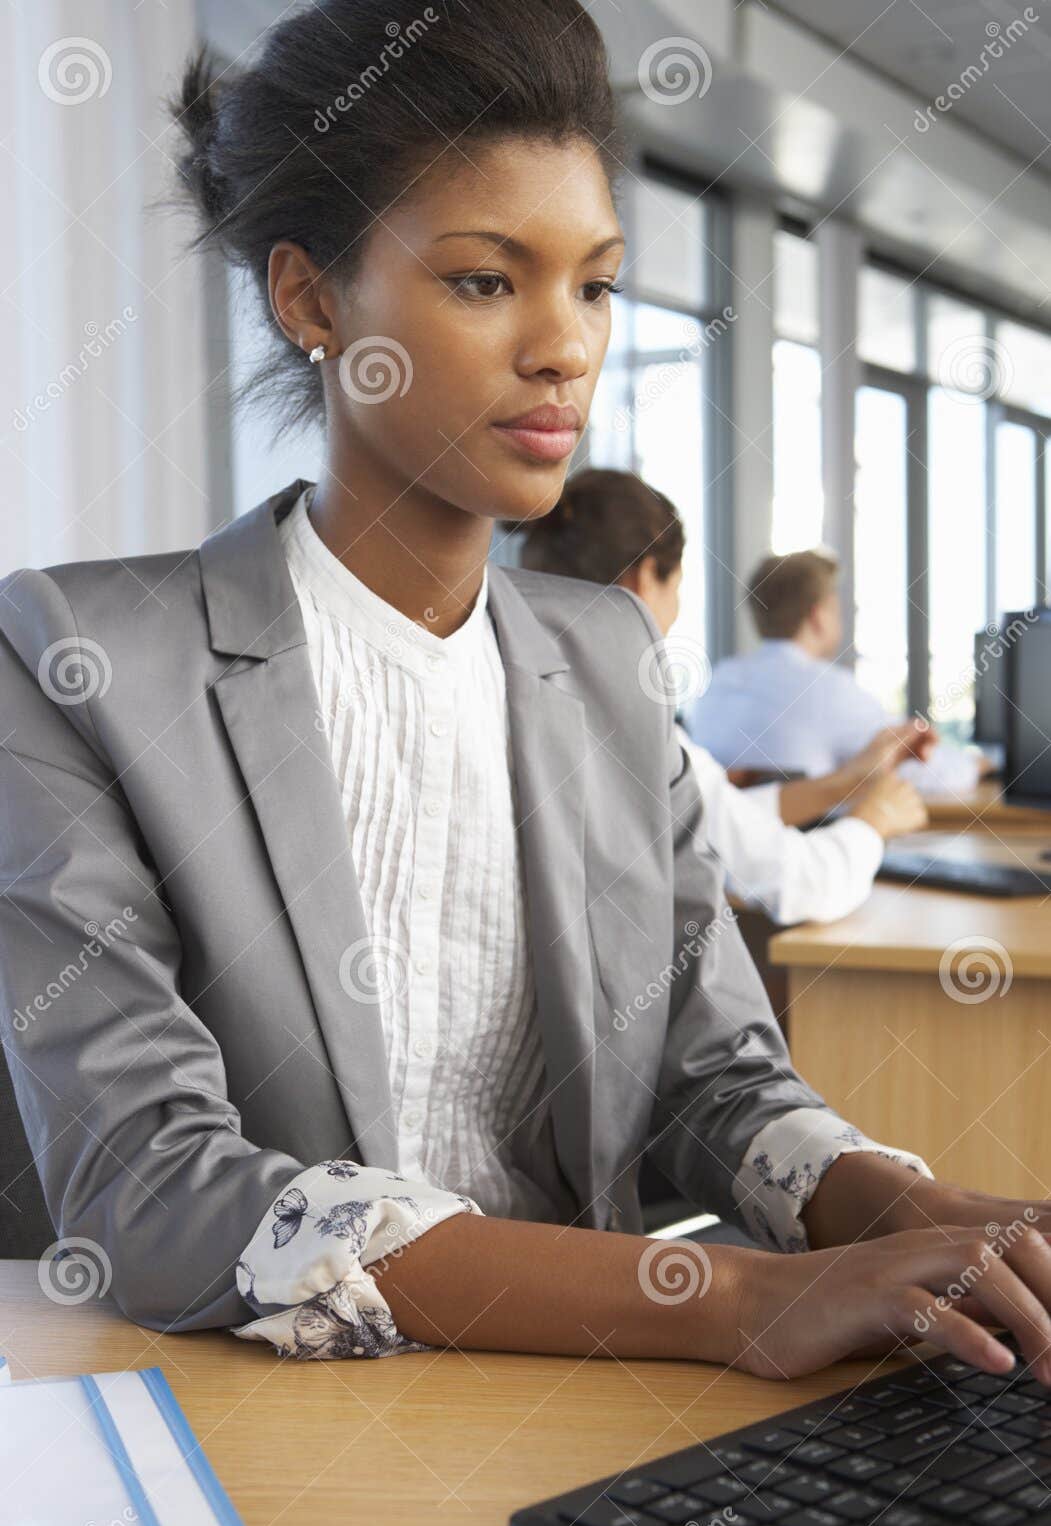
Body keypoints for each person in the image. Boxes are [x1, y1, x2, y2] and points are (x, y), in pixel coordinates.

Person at [1, 0, 1050, 1386]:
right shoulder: (77, 656)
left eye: (595, 283)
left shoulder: (604, 658)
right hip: (250, 1420)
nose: (564, 346)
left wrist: (892, 1206)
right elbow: (153, 1183)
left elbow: (707, 1070)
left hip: (574, 1404)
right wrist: (734, 1300)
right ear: (313, 298)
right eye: (487, 281)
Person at [516, 469, 930, 926]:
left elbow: (699, 819)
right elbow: (800, 883)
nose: (676, 610)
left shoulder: (529, 698)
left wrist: (845, 783)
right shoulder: (634, 731)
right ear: (644, 579)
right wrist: (875, 821)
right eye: (676, 587)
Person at [689, 548, 988, 795]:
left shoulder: (718, 683)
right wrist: (978, 764)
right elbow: (928, 773)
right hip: (808, 857)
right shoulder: (825, 690)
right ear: (819, 616)